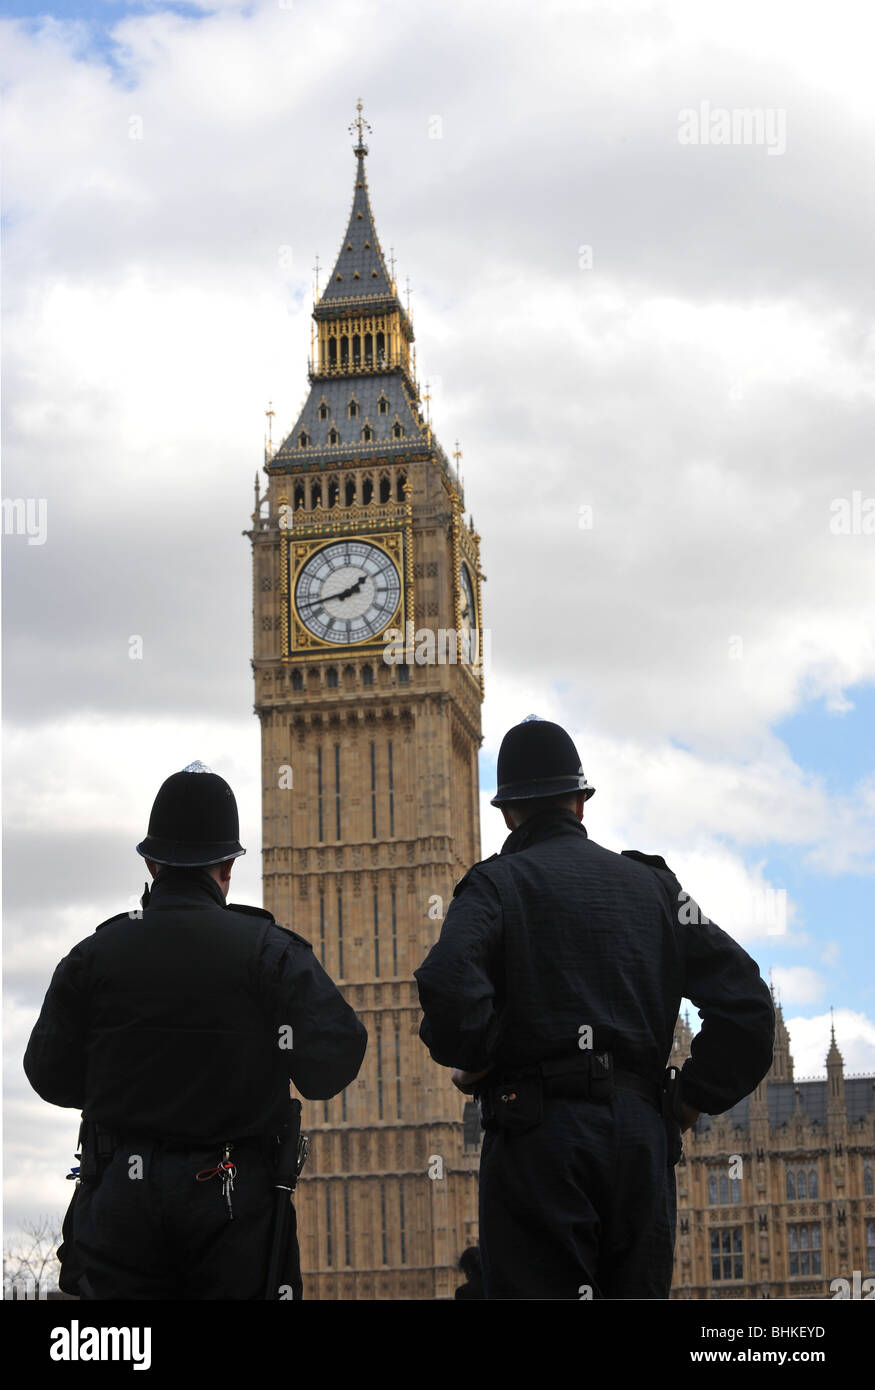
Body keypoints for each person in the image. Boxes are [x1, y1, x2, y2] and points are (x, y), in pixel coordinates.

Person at [415, 717, 775, 1300]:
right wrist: (688, 1100)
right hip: (639, 1140)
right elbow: (750, 1009)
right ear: (581, 802)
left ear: (508, 812)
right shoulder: (655, 887)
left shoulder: (495, 885)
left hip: (536, 1138)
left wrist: (480, 1053)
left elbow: (447, 980)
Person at [24, 760, 367, 1300]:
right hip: (234, 1204)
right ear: (227, 867)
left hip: (119, 1201)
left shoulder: (95, 954)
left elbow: (48, 1074)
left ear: (151, 862)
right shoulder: (272, 953)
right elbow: (334, 1061)